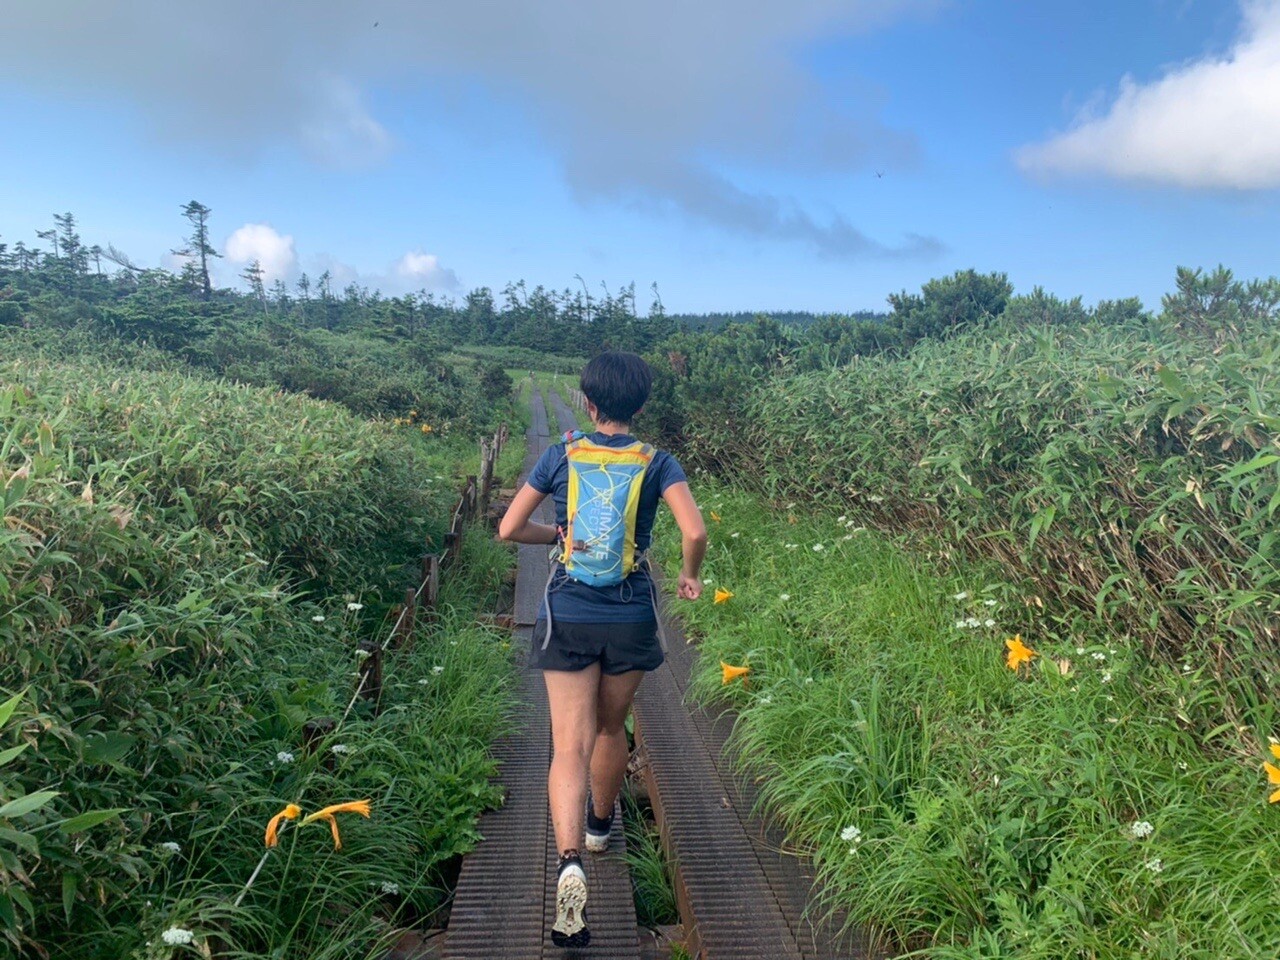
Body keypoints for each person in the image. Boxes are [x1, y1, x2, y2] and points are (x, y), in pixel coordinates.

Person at [498, 351, 707, 949]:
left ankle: (569, 860)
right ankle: (597, 829)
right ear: (640, 405)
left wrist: (555, 534)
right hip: (630, 612)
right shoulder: (658, 462)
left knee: (570, 743)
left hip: (568, 609)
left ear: (588, 404)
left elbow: (509, 529)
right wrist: (689, 575)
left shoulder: (561, 453)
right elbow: (695, 530)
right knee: (613, 727)